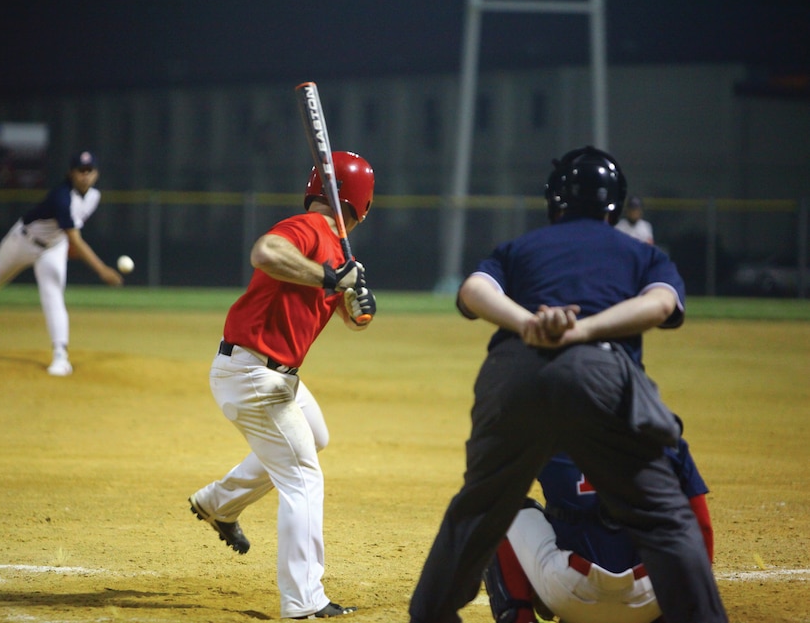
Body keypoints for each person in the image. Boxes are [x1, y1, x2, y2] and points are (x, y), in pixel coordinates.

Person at [408, 146, 727, 623]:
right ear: (614, 206)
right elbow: (661, 305)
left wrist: (528, 323)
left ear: (554, 201)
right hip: (598, 370)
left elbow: (473, 292)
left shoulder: (518, 248)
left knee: (479, 507)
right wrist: (587, 329)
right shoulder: (642, 253)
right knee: (664, 519)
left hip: (513, 370)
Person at [188, 150, 377, 620]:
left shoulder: (336, 249)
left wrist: (356, 297)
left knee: (315, 438)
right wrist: (332, 277)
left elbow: (355, 319)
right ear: (363, 203)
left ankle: (219, 503)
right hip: (254, 374)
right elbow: (265, 253)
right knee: (303, 478)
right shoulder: (309, 230)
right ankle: (305, 601)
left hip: (275, 376)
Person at [485, 436, 714, 623]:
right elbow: (701, 528)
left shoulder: (548, 433)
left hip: (570, 595)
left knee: (500, 511)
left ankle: (518, 617)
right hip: (650, 598)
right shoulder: (665, 439)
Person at [0, 150, 123, 376]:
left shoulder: (94, 197)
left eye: (89, 171)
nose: (85, 175)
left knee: (53, 293)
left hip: (53, 247)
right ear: (71, 173)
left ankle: (60, 356)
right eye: (80, 171)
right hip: (23, 241)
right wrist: (102, 270)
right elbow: (76, 238)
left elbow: (69, 233)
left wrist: (66, 247)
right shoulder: (62, 197)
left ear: (96, 174)